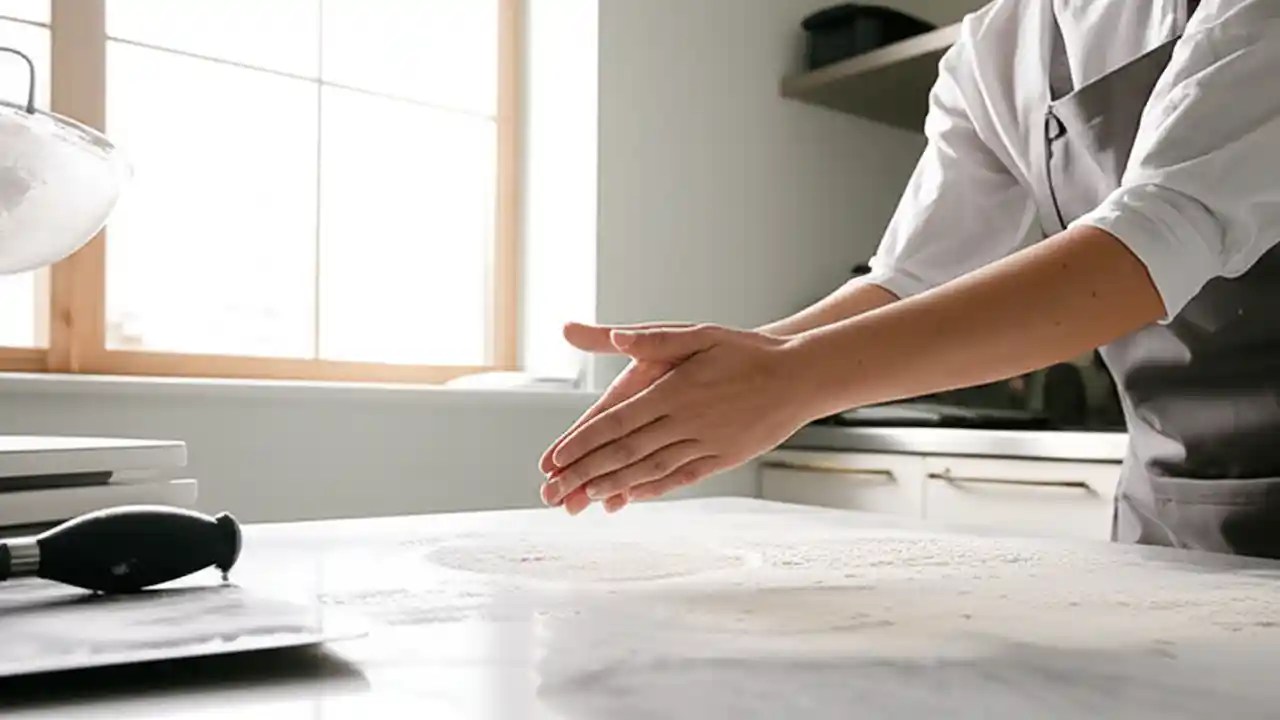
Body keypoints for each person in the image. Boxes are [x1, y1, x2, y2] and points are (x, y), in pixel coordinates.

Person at [538, 0, 1280, 559]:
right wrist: (741, 359)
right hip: (1167, 502)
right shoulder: (998, 45)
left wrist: (789, 380)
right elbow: (913, 276)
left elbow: (1149, 241)